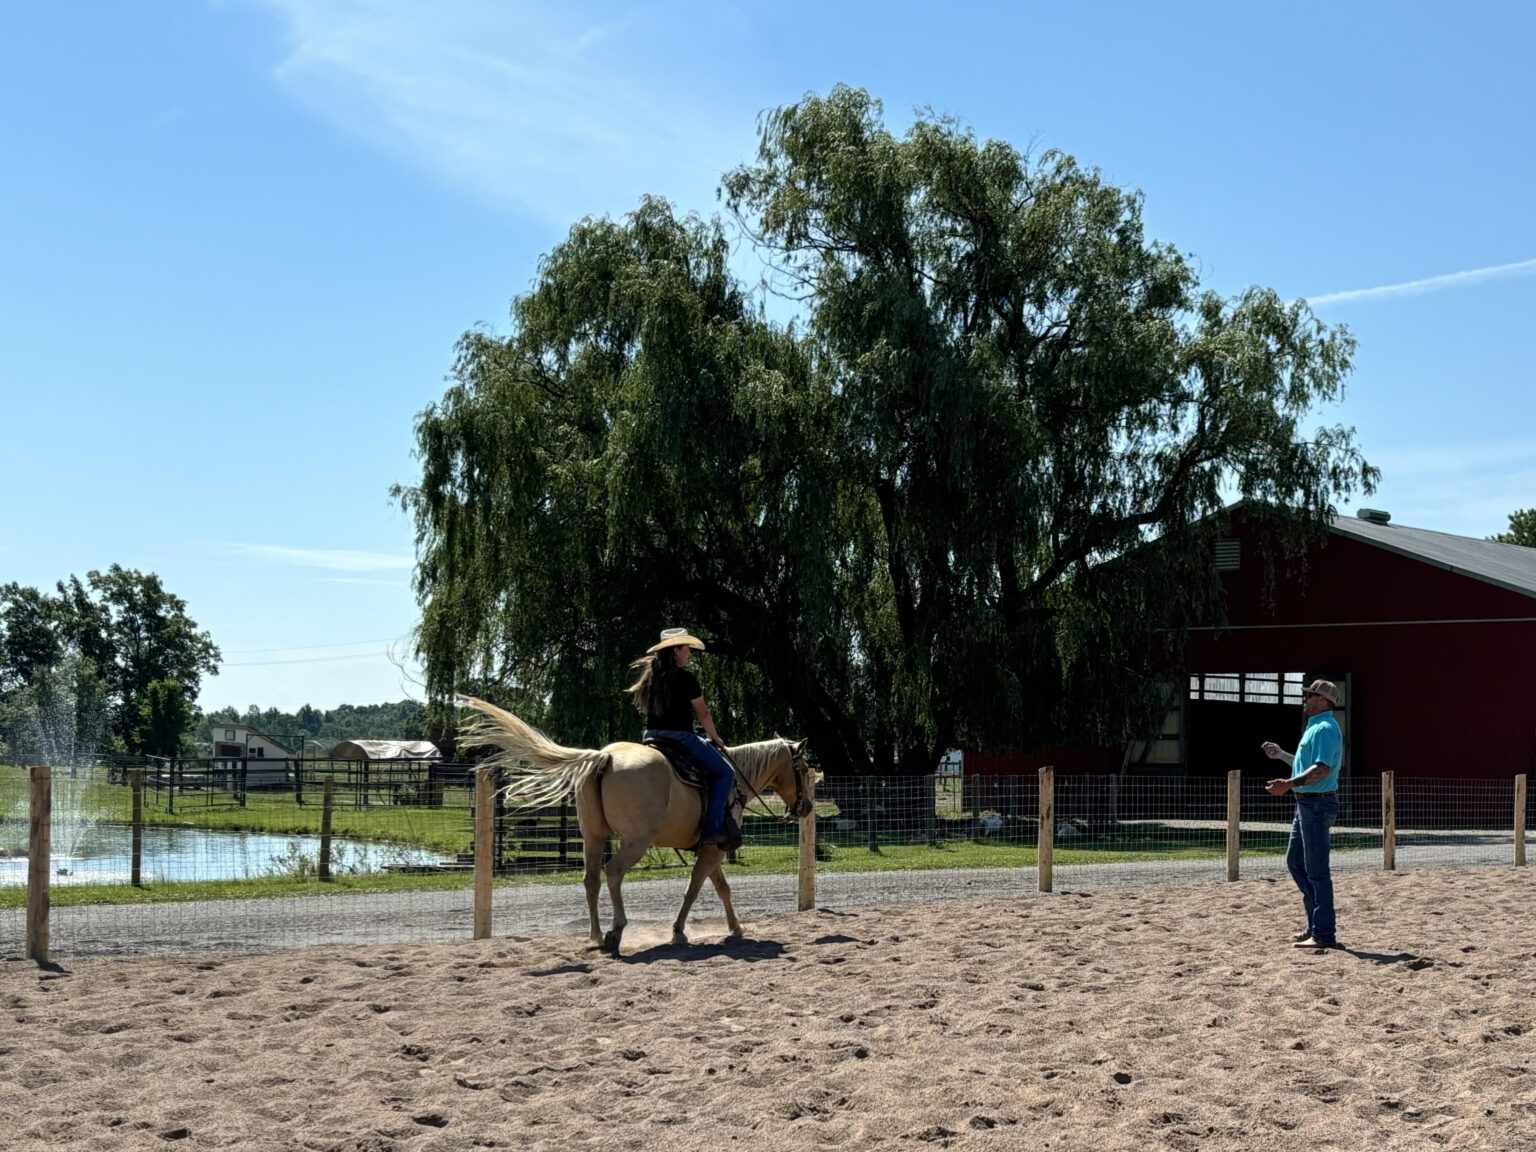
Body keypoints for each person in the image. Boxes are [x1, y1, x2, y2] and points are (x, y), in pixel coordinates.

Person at [627, 628, 738, 848]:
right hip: (681, 738)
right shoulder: (686, 678)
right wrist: (716, 739)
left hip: (650, 737)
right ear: (676, 650)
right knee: (727, 773)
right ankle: (712, 829)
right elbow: (703, 713)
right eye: (687, 648)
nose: (689, 653)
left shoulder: (651, 678)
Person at [1262, 678, 1345, 949]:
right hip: (1308, 804)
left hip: (1316, 805)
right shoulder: (1316, 727)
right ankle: (1315, 924)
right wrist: (1282, 755)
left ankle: (1323, 934)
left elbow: (1321, 770)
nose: (1306, 700)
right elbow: (1306, 766)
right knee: (1296, 862)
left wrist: (1287, 785)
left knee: (1317, 871)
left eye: (1310, 696)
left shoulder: (1324, 729)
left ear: (1324, 701)